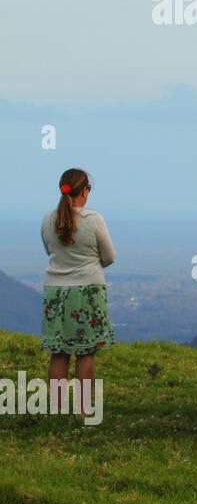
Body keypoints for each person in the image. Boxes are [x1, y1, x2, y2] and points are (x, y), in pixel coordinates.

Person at [40, 169, 116, 415]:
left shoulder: (48, 219)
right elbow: (109, 256)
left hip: (55, 291)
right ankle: (83, 409)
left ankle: (58, 408)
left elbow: (50, 250)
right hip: (87, 291)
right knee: (86, 352)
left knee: (59, 352)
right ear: (85, 191)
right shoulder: (93, 219)